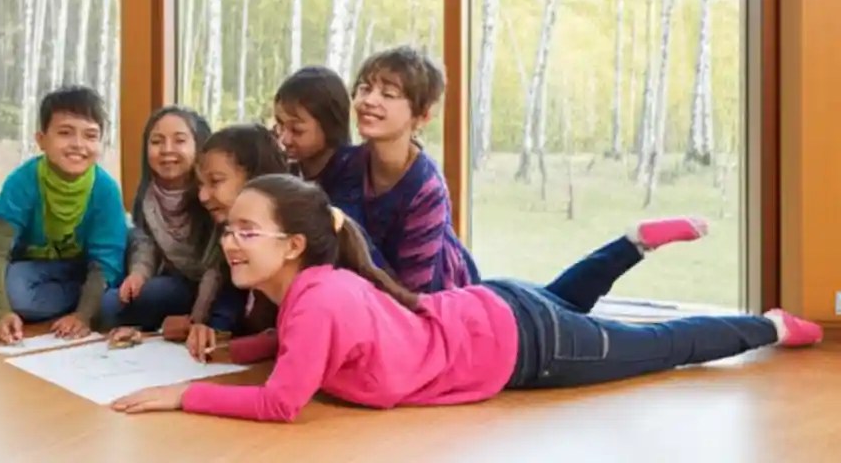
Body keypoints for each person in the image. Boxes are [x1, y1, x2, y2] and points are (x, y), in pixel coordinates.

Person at [110, 175, 823, 421]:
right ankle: (633, 242)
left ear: (293, 245)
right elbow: (296, 347)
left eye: (245, 231)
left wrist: (184, 395)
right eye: (228, 229)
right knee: (565, 299)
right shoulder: (315, 291)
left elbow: (281, 403)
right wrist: (230, 347)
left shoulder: (317, 300)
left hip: (522, 347)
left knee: (661, 347)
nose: (230, 242)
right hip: (494, 309)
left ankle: (768, 326)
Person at [0, 85, 128, 344]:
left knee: (108, 291)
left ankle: (90, 300)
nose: (78, 145)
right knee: (16, 291)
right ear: (41, 140)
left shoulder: (105, 190)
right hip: (38, 270)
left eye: (90, 135)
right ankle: (87, 299)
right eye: (65, 133)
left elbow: (106, 262)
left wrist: (83, 316)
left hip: (89, 268)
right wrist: (0, 314)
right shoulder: (22, 182)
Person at [345, 45, 479, 292]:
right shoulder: (346, 164)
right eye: (365, 88)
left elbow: (418, 292)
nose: (369, 101)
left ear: (422, 115)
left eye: (388, 94)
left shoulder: (425, 187)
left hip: (434, 300)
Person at [162, 123, 289, 361]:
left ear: (256, 179)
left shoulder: (293, 255)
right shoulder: (230, 244)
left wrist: (234, 348)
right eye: (200, 184)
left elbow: (289, 335)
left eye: (215, 181)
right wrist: (209, 331)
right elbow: (230, 302)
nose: (203, 196)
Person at [101, 106, 218, 334]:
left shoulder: (210, 196)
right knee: (108, 305)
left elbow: (215, 268)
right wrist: (138, 275)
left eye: (179, 140)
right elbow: (145, 243)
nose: (167, 150)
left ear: (200, 146)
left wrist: (196, 319)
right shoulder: (147, 195)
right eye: (156, 142)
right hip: (175, 282)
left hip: (215, 287)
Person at [273, 66, 364, 223]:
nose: (284, 139)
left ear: (330, 125)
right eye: (280, 126)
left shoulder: (356, 171)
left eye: (297, 130)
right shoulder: (286, 168)